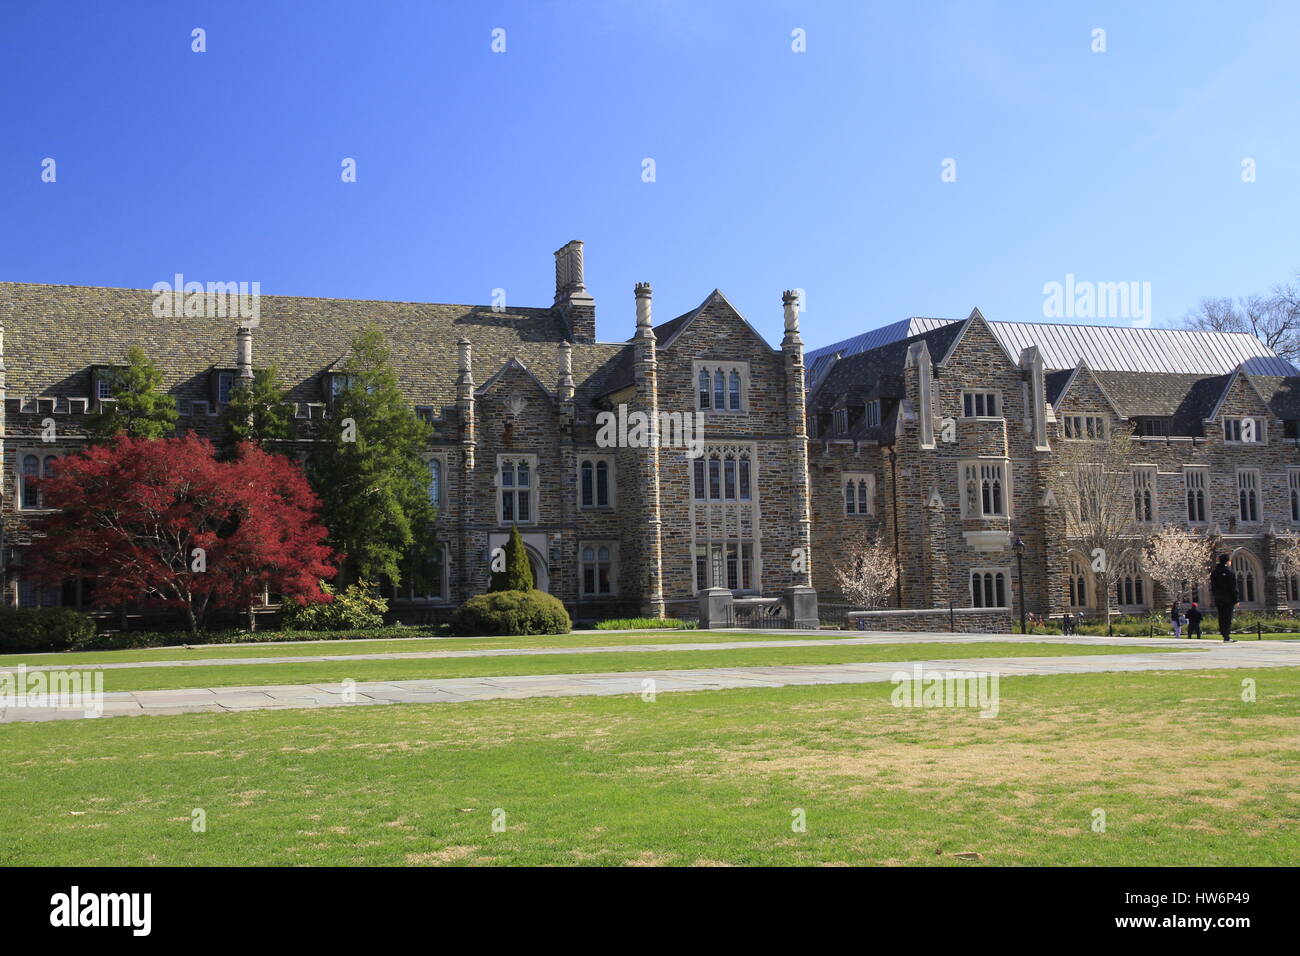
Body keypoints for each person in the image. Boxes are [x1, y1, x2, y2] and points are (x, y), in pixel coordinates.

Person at [1209, 554, 1238, 643]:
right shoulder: (1229, 572)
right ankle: (1227, 636)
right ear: (1227, 561)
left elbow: (1212, 586)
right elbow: (1233, 587)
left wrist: (1215, 595)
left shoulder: (1214, 572)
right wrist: (1236, 599)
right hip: (1228, 598)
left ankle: (1223, 633)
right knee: (1227, 617)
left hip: (1218, 598)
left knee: (1221, 616)